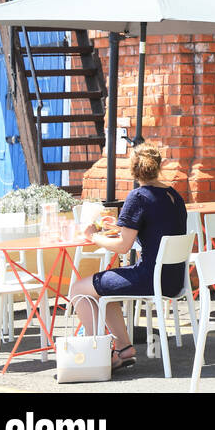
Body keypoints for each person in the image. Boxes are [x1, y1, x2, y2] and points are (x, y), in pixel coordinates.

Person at [68, 143, 187, 371]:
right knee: (105, 287)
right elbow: (156, 229)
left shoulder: (138, 196)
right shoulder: (174, 195)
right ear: (158, 166)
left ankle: (100, 354)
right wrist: (122, 226)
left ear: (132, 170)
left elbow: (123, 247)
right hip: (173, 279)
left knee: (79, 289)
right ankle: (123, 349)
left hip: (150, 277)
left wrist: (92, 236)